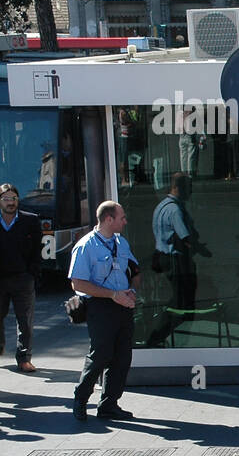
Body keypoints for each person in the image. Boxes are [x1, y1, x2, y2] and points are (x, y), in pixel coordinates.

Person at [68, 200, 139, 421]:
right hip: (100, 305)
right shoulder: (86, 246)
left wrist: (133, 291)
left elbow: (135, 270)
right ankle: (80, 400)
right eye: (121, 217)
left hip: (123, 304)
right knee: (100, 355)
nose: (125, 221)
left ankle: (109, 404)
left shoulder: (121, 242)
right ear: (109, 219)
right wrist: (112, 295)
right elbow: (77, 283)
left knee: (122, 357)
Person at [148, 173, 211, 347]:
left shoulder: (161, 206)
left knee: (178, 299)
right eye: (188, 188)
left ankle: (163, 336)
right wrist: (201, 249)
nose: (190, 192)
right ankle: (160, 336)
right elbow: (185, 237)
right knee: (182, 303)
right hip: (176, 260)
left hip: (164, 257)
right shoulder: (175, 210)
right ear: (177, 188)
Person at [0, 183, 42, 372]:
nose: (10, 202)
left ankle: (24, 358)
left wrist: (31, 273)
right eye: (6, 198)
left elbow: (37, 250)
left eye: (13, 198)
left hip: (22, 278)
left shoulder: (30, 221)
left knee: (25, 321)